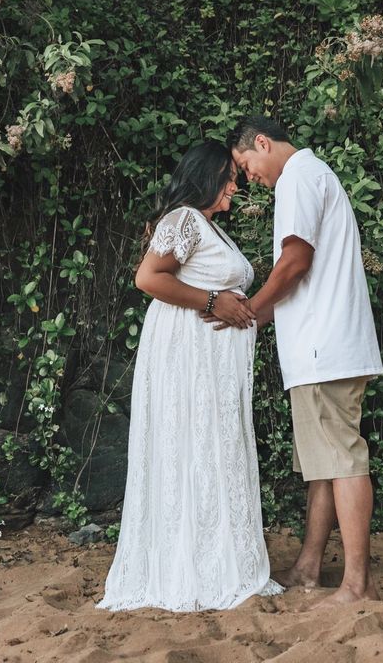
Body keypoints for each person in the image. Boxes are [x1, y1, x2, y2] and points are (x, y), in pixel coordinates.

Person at [97, 140, 283, 612]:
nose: (236, 187)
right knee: (192, 450)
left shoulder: (206, 226)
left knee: (211, 453)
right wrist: (210, 301)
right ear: (206, 176)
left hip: (208, 366)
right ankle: (187, 568)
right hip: (186, 363)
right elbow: (149, 278)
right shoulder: (183, 219)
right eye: (229, 177)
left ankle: (214, 561)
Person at [218, 114, 383, 606]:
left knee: (344, 461)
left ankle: (357, 584)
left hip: (323, 349)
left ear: (263, 143)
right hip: (327, 347)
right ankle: (310, 568)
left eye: (246, 165)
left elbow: (294, 261)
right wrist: (258, 320)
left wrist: (248, 312)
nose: (250, 178)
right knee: (322, 466)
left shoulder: (297, 178)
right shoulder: (313, 176)